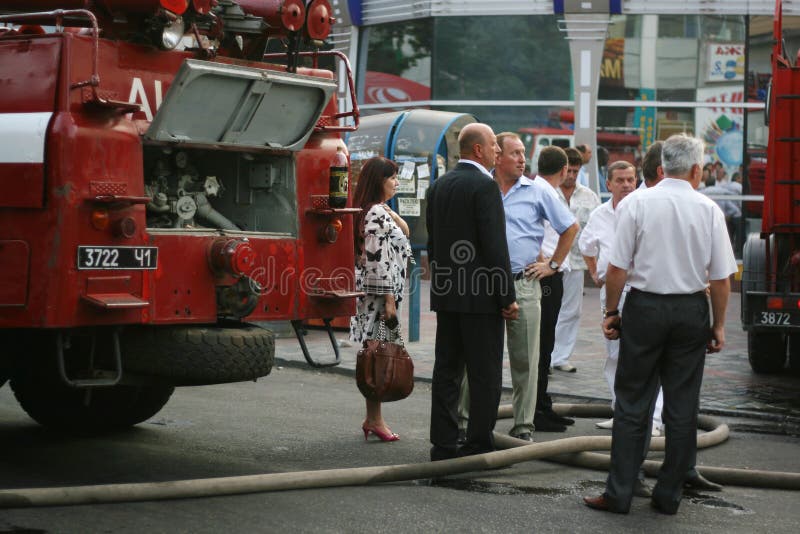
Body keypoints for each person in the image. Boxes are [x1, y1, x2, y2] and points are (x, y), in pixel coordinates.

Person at [584, 134, 737, 515]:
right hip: (689, 309)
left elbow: (616, 268)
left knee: (633, 401)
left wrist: (611, 312)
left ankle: (619, 493)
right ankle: (668, 495)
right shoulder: (708, 209)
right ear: (697, 170)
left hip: (645, 307)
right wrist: (718, 326)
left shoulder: (636, 202)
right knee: (682, 406)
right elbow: (721, 279)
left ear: (661, 166)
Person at [457, 134, 578, 443]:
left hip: (523, 283)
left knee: (525, 359)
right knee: (479, 357)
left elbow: (570, 227)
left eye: (524, 153)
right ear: (497, 157)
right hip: (485, 284)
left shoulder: (538, 190)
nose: (523, 159)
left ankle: (523, 426)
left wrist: (551, 265)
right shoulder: (482, 187)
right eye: (515, 153)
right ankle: (464, 420)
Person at [427, 123, 519, 461]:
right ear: (478, 150)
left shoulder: (438, 186)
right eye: (495, 144)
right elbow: (494, 247)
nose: (498, 150)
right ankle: (479, 443)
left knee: (447, 371)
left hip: (448, 294)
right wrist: (506, 296)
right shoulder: (485, 186)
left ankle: (443, 442)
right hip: (481, 299)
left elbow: (434, 245)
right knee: (484, 374)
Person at [349, 156, 411, 442]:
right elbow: (377, 260)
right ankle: (375, 420)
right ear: (379, 181)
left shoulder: (377, 210)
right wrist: (388, 300)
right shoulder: (375, 213)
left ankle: (373, 418)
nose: (396, 182)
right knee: (378, 355)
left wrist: (391, 213)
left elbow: (404, 235)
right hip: (378, 296)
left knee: (376, 353)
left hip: (380, 294)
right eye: (392, 178)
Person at [534, 147, 580, 432]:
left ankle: (541, 403)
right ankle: (538, 408)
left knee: (544, 345)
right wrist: (551, 263)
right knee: (542, 345)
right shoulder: (547, 192)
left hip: (546, 272)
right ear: (564, 170)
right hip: (547, 277)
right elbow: (571, 228)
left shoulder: (537, 189)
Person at [550, 147, 599, 373]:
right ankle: (546, 355)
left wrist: (595, 262)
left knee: (572, 310)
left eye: (575, 171)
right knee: (549, 309)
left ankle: (560, 357)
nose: (571, 175)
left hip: (577, 261)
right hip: (551, 259)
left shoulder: (589, 196)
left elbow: (596, 230)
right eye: (568, 170)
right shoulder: (548, 192)